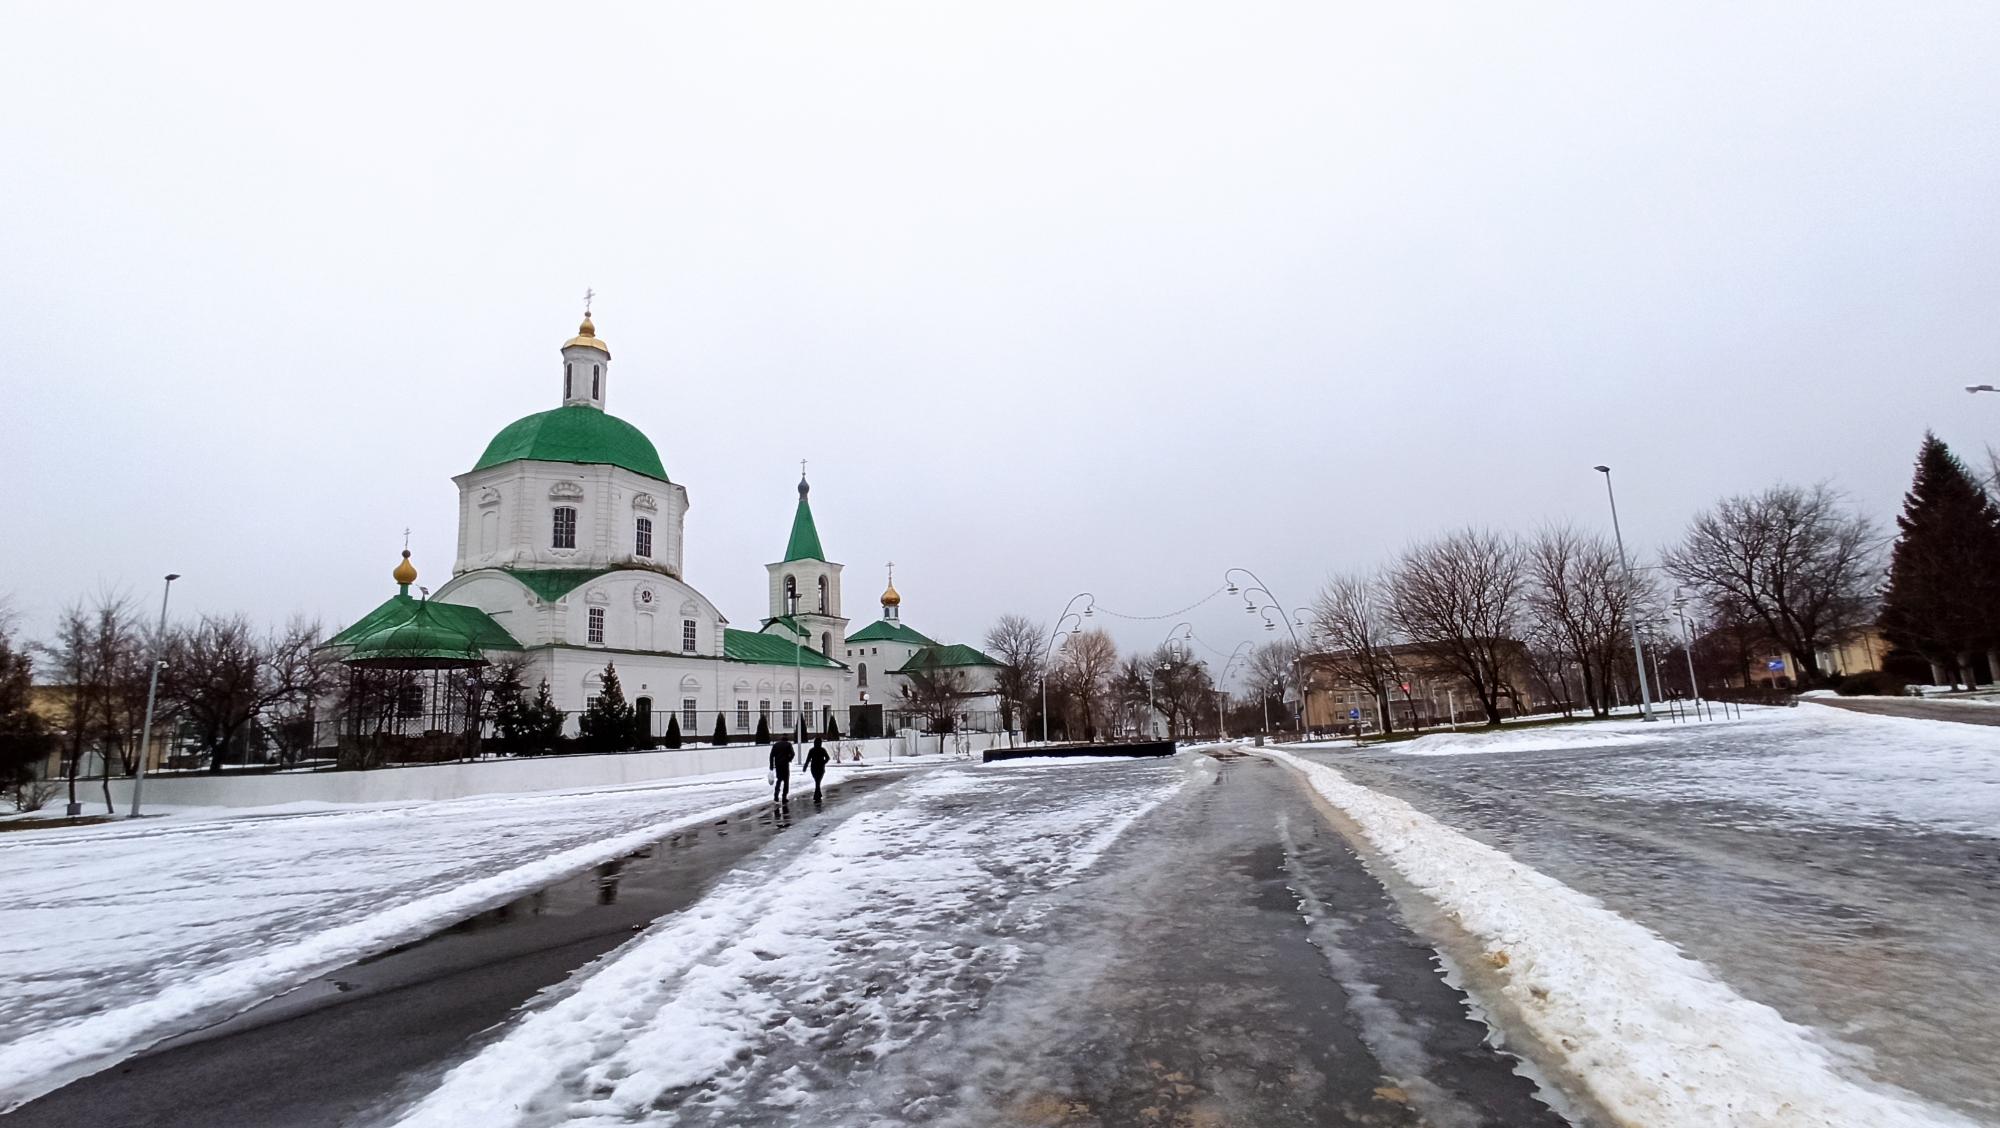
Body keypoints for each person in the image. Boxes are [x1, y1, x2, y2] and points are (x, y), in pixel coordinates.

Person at [769, 734, 794, 803]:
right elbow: (793, 754)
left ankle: (776, 795)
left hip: (778, 765)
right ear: (787, 739)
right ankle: (784, 797)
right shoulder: (788, 745)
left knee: (779, 779)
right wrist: (789, 759)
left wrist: (771, 765)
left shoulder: (776, 745)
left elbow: (771, 756)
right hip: (785, 765)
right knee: (786, 781)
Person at [805, 736, 831, 802]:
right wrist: (823, 762)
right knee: (818, 781)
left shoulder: (812, 750)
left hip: (813, 767)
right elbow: (828, 758)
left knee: (817, 781)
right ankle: (817, 795)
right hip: (820, 767)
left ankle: (817, 795)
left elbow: (808, 759)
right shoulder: (822, 750)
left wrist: (805, 767)